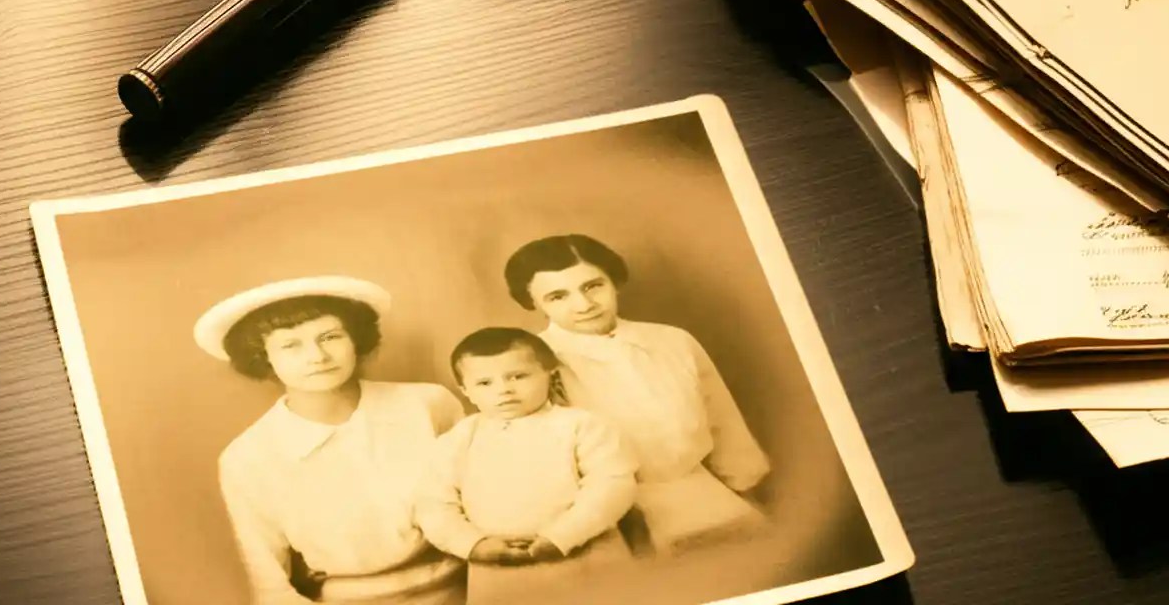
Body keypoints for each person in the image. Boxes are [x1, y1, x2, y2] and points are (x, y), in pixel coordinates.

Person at [194, 276, 467, 605]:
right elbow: (270, 584)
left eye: (330, 337)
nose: (317, 356)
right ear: (264, 356)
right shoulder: (248, 457)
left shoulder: (428, 405)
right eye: (291, 345)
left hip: (470, 588)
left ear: (356, 340)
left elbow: (487, 504)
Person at [502, 235, 771, 557]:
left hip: (700, 492)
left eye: (593, 286)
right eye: (558, 296)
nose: (584, 305)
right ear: (534, 303)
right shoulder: (535, 365)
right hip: (607, 519)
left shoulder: (672, 341)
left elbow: (722, 420)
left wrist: (745, 487)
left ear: (614, 282)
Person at [417, 327, 638, 604]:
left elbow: (612, 486)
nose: (504, 389)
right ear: (466, 391)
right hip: (497, 567)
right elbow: (434, 503)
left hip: (586, 552)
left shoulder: (582, 426)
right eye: (485, 383)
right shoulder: (459, 439)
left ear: (550, 373)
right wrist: (473, 545)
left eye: (518, 376)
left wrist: (562, 536)